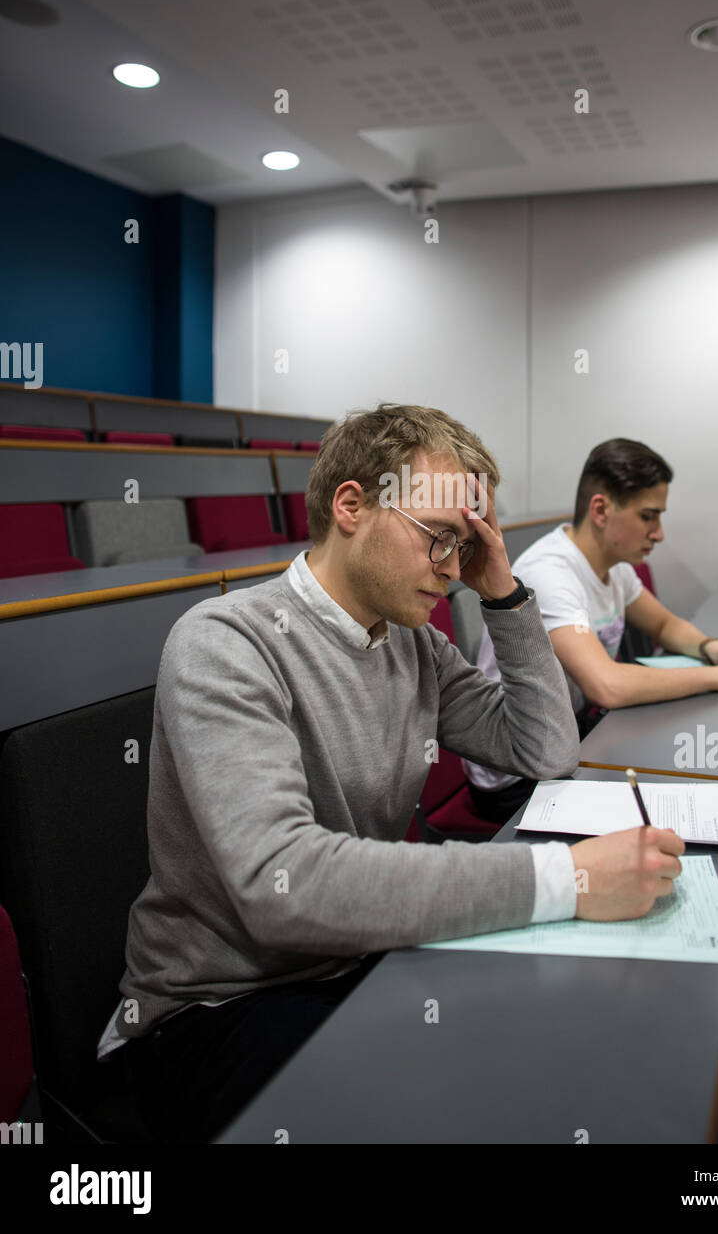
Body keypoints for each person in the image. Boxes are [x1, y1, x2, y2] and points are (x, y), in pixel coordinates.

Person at [98, 406, 685, 1143]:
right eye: (438, 537)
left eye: (465, 544)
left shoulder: (410, 643)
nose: (450, 566)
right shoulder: (226, 644)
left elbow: (545, 750)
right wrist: (569, 879)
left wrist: (500, 589)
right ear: (351, 506)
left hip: (357, 960)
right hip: (219, 1008)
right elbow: (285, 885)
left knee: (559, 1047)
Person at [466, 438, 718, 824]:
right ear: (600, 509)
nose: (659, 533)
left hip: (564, 739)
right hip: (515, 774)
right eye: (648, 516)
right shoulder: (549, 574)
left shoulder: (615, 567)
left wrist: (712, 648)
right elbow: (606, 686)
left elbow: (663, 624)